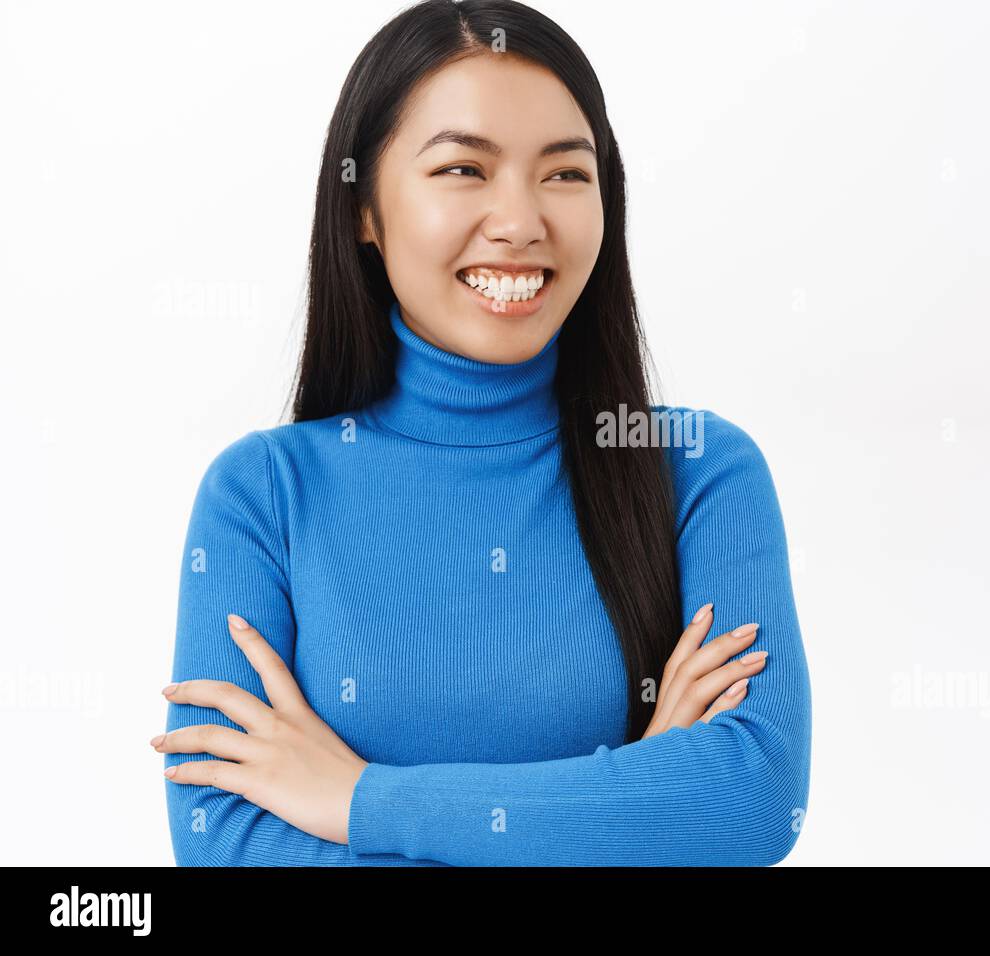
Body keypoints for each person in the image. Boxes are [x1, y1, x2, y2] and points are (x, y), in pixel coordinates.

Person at [156, 0, 812, 866]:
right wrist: (639, 794)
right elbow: (225, 847)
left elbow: (752, 801)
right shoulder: (263, 496)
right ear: (364, 208)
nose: (520, 220)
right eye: (464, 169)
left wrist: (358, 798)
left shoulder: (698, 472)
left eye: (566, 175)